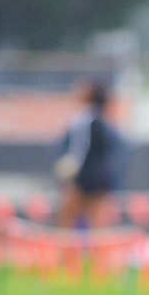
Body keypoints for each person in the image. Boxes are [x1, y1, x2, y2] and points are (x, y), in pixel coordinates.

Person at [54, 79, 122, 229]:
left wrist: (71, 175)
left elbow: (79, 151)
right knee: (96, 219)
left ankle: (67, 251)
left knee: (66, 215)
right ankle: (100, 251)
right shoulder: (106, 119)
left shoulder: (84, 119)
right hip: (103, 176)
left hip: (86, 176)